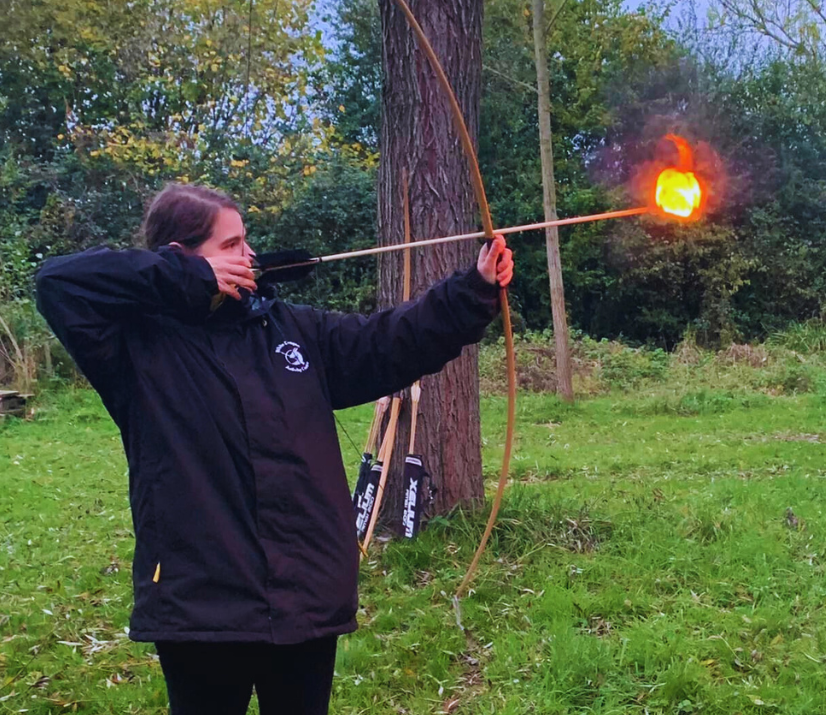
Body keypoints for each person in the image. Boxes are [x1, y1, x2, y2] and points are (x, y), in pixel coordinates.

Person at [35, 183, 513, 715]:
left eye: (246, 241)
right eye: (231, 245)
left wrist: (473, 289)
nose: (249, 255)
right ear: (180, 257)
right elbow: (57, 282)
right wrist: (186, 280)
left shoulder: (287, 328)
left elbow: (387, 342)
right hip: (202, 607)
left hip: (305, 597)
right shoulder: (135, 345)